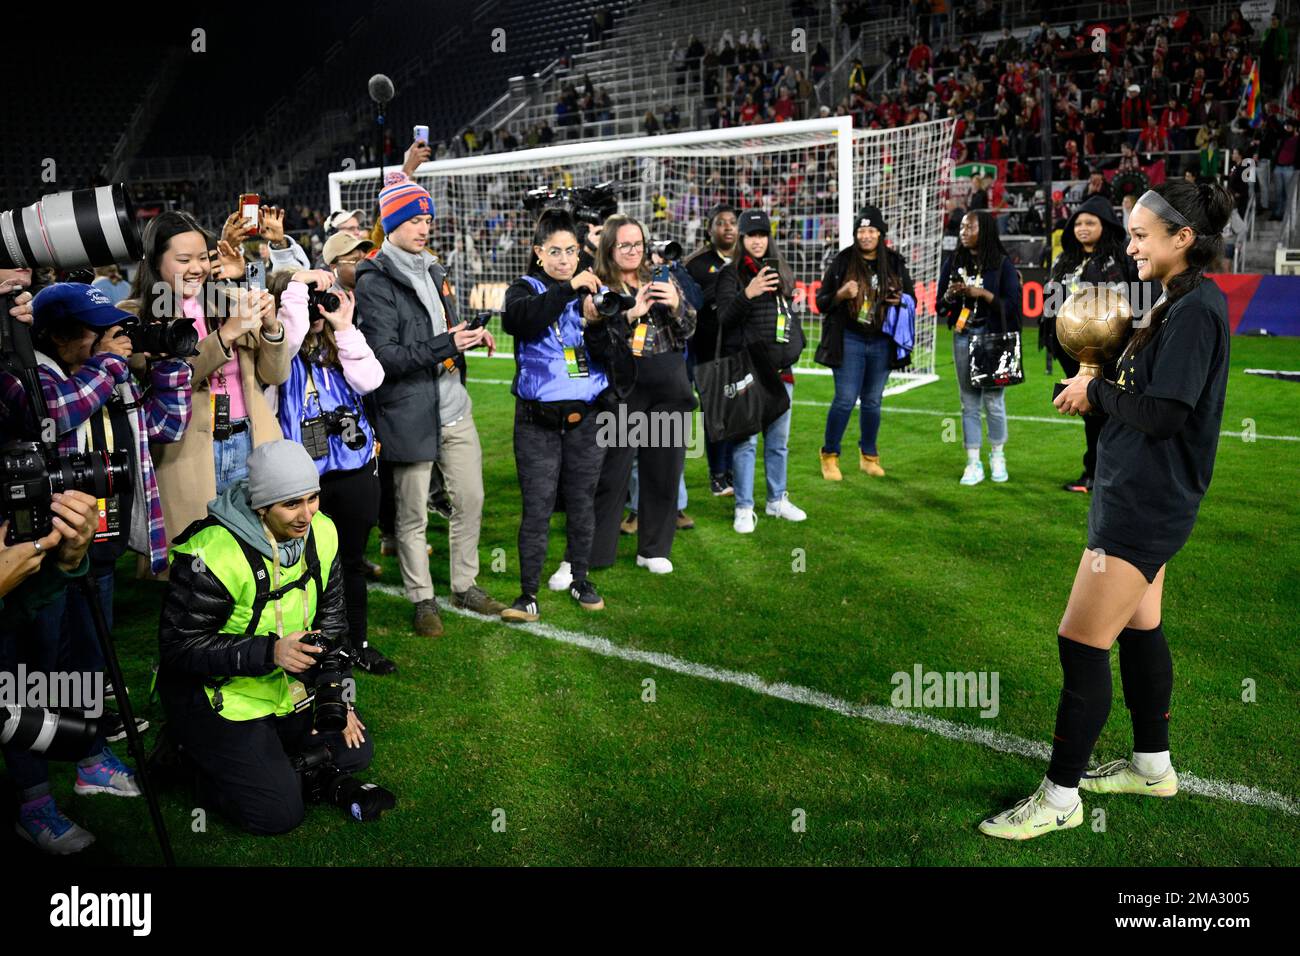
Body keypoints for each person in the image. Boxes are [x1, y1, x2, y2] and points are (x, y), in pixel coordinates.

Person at [981, 182, 1234, 839]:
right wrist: (1092, 360)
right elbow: (1137, 386)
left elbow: (1167, 412)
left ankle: (1060, 800)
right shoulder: (1172, 300)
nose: (1131, 245)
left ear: (1184, 239)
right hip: (1136, 489)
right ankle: (1152, 765)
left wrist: (1096, 392)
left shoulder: (1196, 308)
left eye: (1142, 235)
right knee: (1141, 629)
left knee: (1079, 640)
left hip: (1145, 501)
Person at [158, 441, 390, 835]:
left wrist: (335, 694)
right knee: (278, 815)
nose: (306, 514)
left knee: (357, 749)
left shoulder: (323, 531)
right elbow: (179, 648)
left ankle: (286, 768)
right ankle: (183, 755)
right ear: (261, 505)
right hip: (216, 695)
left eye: (312, 497)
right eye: (291, 504)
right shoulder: (212, 551)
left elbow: (332, 626)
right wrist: (269, 651)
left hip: (282, 686)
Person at [354, 177, 507, 636]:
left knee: (471, 499)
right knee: (413, 512)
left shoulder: (433, 267)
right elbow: (385, 357)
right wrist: (445, 345)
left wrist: (468, 335)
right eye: (414, 220)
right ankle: (422, 598)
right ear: (392, 223)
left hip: (453, 405)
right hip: (407, 411)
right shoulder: (374, 277)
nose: (424, 228)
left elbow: (443, 327)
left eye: (427, 219)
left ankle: (465, 584)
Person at [123, 211, 293, 545]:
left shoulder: (228, 300)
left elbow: (275, 374)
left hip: (251, 440)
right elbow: (167, 379)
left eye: (203, 257)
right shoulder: (136, 314)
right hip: (188, 452)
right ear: (155, 263)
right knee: (198, 554)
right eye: (184, 259)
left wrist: (272, 329)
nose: (197, 268)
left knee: (260, 547)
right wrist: (225, 336)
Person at [500, 208, 626, 621]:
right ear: (539, 253)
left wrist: (596, 325)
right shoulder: (524, 289)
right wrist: (568, 288)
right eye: (554, 251)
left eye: (571, 251)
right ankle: (527, 594)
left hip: (586, 421)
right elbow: (521, 321)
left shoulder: (593, 293)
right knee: (536, 508)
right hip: (536, 422)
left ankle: (581, 578)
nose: (564, 258)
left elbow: (616, 363)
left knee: (581, 502)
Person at [269, 268, 395, 675]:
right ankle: (309, 647)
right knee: (300, 566)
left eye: (323, 296)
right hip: (302, 481)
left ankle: (355, 642)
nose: (317, 306)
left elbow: (370, 379)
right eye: (308, 298)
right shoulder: (275, 349)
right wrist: (296, 309)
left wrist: (343, 328)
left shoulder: (342, 343)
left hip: (353, 473)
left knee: (351, 563)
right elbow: (284, 347)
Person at [582, 214, 696, 574]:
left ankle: (654, 549)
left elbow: (690, 329)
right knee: (611, 476)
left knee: (664, 472)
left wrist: (677, 305)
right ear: (609, 248)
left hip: (669, 385)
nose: (634, 251)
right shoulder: (597, 287)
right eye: (625, 244)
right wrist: (632, 313)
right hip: (624, 390)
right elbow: (594, 345)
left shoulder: (662, 276)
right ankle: (597, 553)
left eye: (639, 244)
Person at [715, 209, 807, 533]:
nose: (757, 241)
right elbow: (723, 319)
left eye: (762, 234)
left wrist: (797, 342)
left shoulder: (781, 269)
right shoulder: (731, 273)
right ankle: (743, 506)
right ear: (742, 238)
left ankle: (776, 499)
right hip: (748, 371)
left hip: (781, 371)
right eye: (751, 235)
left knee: (778, 443)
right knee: (746, 442)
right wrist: (748, 293)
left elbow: (789, 313)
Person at [1046, 195, 1142, 493]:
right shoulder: (1064, 259)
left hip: (1118, 353)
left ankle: (1115, 475)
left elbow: (1140, 305)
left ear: (1106, 224)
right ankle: (1093, 474)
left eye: (1091, 222)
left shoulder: (1124, 257)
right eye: (1078, 223)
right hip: (1072, 353)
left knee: (1117, 413)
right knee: (1090, 415)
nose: (1083, 228)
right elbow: (1051, 307)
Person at [814, 206, 914, 480]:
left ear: (881, 234)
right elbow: (821, 302)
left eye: (871, 230)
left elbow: (912, 298)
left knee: (872, 402)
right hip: (849, 339)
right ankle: (829, 455)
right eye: (861, 231)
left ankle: (869, 456)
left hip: (882, 341)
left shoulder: (894, 261)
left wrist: (900, 300)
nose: (866, 236)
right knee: (845, 399)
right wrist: (841, 294)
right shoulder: (843, 260)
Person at [936, 210, 1020, 486]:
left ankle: (998, 455)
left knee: (994, 401)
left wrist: (982, 294)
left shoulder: (1002, 264)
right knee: (968, 401)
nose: (963, 231)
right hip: (963, 335)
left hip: (993, 336)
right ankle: (973, 462)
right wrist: (950, 295)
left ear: (984, 229)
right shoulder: (953, 261)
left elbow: (1012, 304)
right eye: (961, 227)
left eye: (969, 226)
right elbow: (939, 305)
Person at [685, 204, 740, 496]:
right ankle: (717, 474)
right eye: (721, 223)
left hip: (740, 351)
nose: (728, 227)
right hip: (705, 351)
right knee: (715, 414)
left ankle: (732, 471)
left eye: (733, 222)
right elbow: (686, 306)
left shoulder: (750, 260)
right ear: (710, 230)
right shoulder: (695, 263)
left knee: (737, 413)